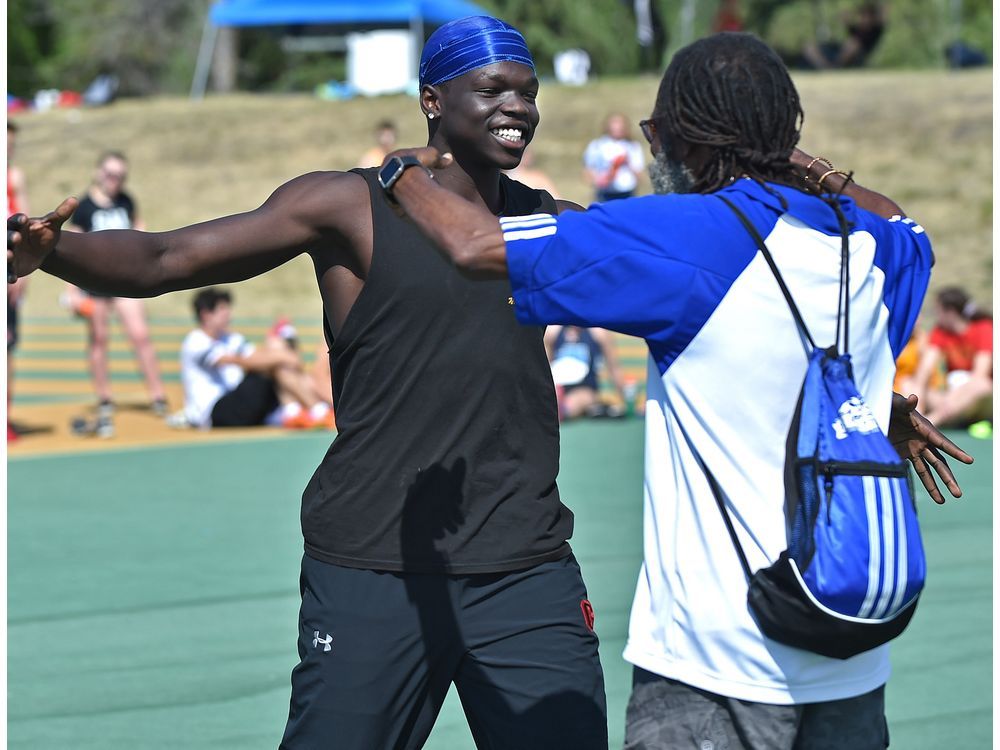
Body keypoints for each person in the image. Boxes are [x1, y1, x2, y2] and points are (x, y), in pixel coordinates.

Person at [8, 16, 609, 749]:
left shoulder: (546, 223)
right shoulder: (348, 206)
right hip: (375, 562)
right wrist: (55, 254)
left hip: (525, 569)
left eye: (529, 92)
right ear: (432, 100)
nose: (518, 108)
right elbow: (170, 259)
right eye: (492, 90)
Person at [378, 30, 976, 750]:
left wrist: (401, 174)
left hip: (714, 668)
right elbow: (900, 220)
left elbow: (474, 245)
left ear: (687, 139)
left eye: (657, 132)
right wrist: (788, 158)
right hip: (850, 661)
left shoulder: (679, 237)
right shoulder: (877, 248)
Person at [63, 151, 169, 438]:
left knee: (140, 335)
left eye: (121, 176)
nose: (115, 180)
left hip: (126, 282)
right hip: (95, 284)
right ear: (98, 173)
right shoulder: (84, 207)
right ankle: (105, 398)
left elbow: (139, 230)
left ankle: (157, 395)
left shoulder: (126, 201)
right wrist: (71, 291)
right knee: (99, 340)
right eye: (110, 174)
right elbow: (72, 247)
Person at [180, 287, 335, 430]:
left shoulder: (232, 338)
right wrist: (284, 356)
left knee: (275, 354)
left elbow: (257, 356)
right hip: (214, 411)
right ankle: (316, 411)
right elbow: (235, 360)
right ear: (206, 314)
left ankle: (294, 412)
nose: (228, 313)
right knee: (275, 360)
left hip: (242, 404)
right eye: (222, 309)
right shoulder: (196, 341)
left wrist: (279, 351)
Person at [904, 286, 992, 428]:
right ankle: (918, 418)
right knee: (908, 383)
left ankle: (928, 423)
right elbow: (924, 370)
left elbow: (979, 375)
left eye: (937, 311)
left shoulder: (983, 328)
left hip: (976, 397)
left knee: (982, 385)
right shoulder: (940, 332)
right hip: (951, 400)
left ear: (950, 312)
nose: (935, 316)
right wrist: (918, 402)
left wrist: (952, 398)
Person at [546, 325, 628, 420]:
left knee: (577, 400)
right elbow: (546, 366)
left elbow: (614, 367)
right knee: (555, 395)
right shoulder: (553, 332)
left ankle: (560, 411)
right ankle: (553, 408)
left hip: (585, 387)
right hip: (559, 384)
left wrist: (625, 399)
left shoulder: (599, 333)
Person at [7, 121, 29, 442]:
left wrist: (23, 271)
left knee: (7, 347)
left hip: (8, 271)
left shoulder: (14, 177)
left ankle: (5, 418)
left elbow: (26, 224)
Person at [801, 2, 886, 70]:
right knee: (809, 46)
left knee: (853, 43)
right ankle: (825, 67)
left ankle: (837, 66)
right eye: (863, 16)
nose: (864, 19)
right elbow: (846, 21)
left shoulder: (876, 30)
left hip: (857, 57)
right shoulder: (855, 29)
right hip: (840, 52)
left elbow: (884, 12)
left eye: (867, 17)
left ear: (872, 18)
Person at [583, 113, 646, 202]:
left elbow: (640, 175)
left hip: (627, 192)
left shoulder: (633, 146)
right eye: (614, 123)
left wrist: (627, 162)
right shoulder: (596, 145)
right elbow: (588, 171)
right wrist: (598, 180)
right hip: (604, 193)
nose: (617, 127)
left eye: (620, 124)